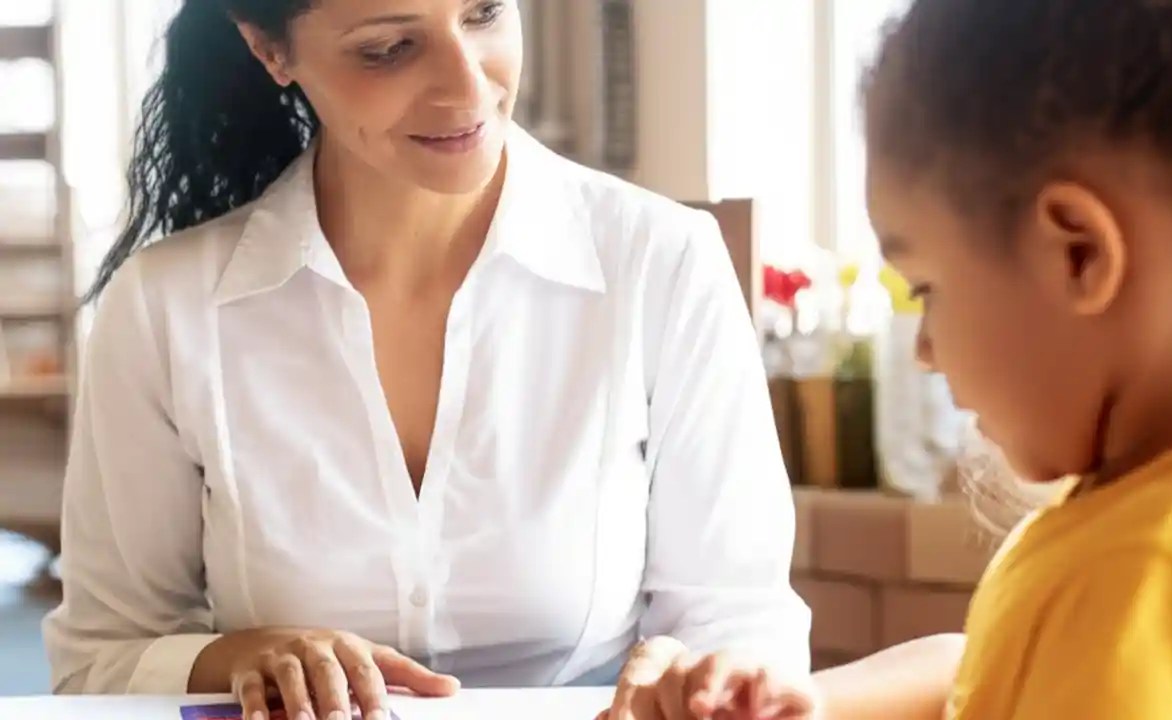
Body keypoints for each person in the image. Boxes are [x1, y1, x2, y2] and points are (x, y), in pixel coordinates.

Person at [42, 1, 811, 718]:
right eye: (389, 48)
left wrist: (706, 679)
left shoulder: (663, 264)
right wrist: (233, 658)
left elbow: (740, 620)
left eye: (484, 13)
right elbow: (97, 665)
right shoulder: (164, 309)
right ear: (270, 48)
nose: (467, 85)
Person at [731, 0, 1172, 717]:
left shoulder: (1151, 578)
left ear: (1075, 253)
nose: (924, 351)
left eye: (927, 288)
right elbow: (985, 669)